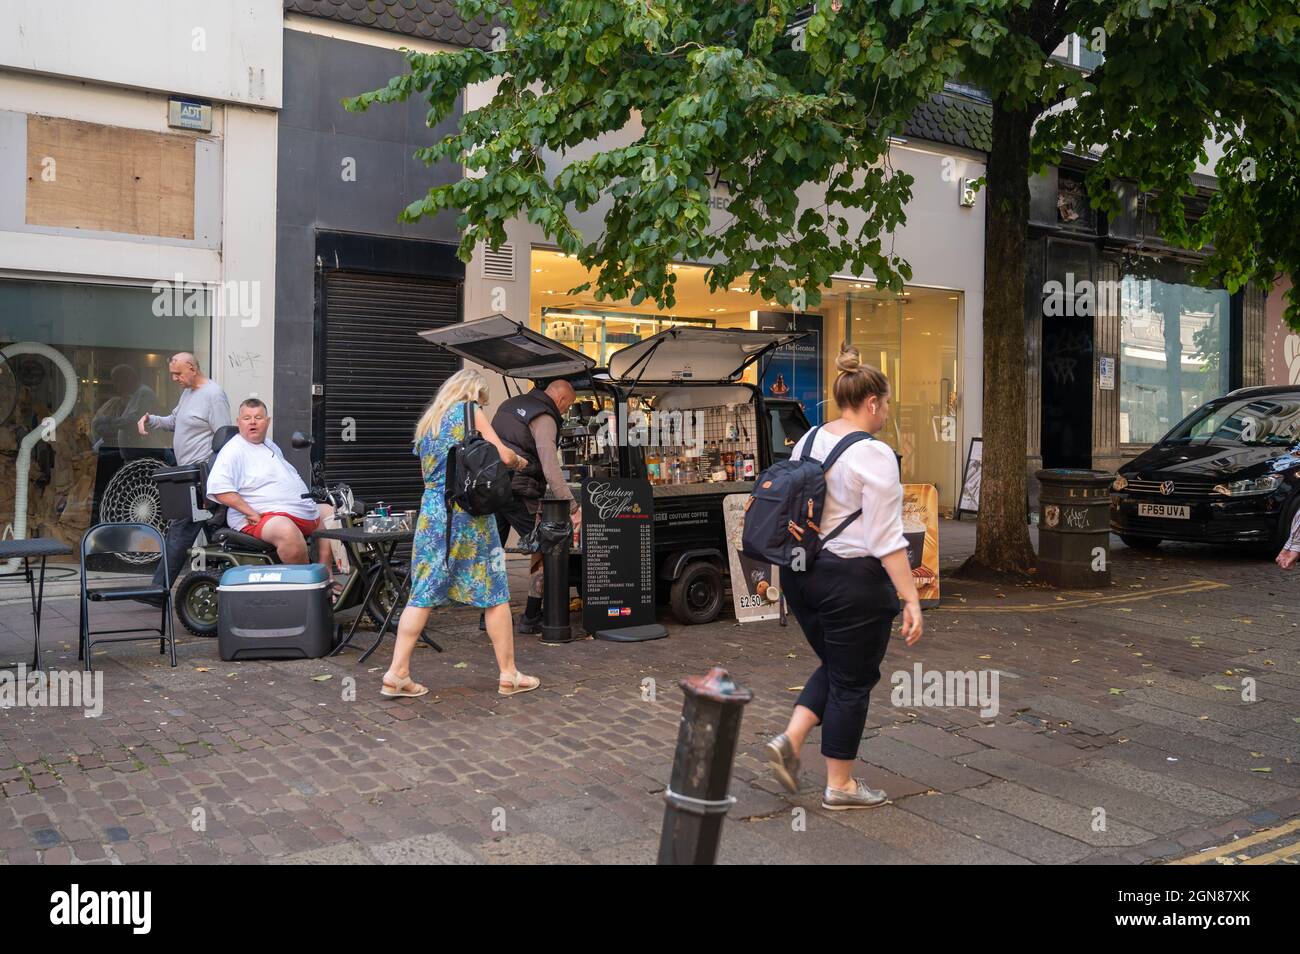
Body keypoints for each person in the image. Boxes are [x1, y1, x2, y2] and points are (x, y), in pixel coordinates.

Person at [763, 344, 923, 810]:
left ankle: (791, 739)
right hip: (850, 583)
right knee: (853, 680)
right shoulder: (875, 455)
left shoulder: (809, 439)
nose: (888, 412)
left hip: (801, 574)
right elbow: (886, 538)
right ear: (871, 402)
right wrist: (910, 597)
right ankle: (841, 785)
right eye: (887, 403)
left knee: (838, 665)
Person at [381, 368, 538, 699]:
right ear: (474, 394)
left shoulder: (430, 423)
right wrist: (520, 462)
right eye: (483, 398)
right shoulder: (470, 411)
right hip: (468, 516)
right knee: (494, 592)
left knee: (421, 592)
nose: (482, 403)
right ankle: (509, 674)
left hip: (433, 514)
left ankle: (397, 672)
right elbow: (501, 455)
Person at [489, 379, 581, 633]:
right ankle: (531, 616)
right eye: (567, 407)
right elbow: (550, 466)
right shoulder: (544, 417)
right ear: (561, 400)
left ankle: (489, 618)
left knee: (495, 553)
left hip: (494, 488)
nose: (564, 412)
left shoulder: (509, 405)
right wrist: (572, 506)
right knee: (544, 547)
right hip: (521, 491)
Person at [137, 353, 231, 589]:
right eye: (172, 374)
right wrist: (151, 420)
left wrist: (211, 481)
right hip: (188, 475)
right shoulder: (188, 392)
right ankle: (230, 583)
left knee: (181, 531)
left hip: (201, 478)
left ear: (192, 368)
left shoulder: (214, 395)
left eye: (178, 373)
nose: (175, 378)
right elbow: (174, 421)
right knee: (217, 533)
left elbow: (224, 440)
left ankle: (158, 589)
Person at [206, 398, 333, 566]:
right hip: (258, 517)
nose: (252, 422)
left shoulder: (269, 445)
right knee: (287, 531)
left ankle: (326, 576)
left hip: (289, 511)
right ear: (238, 422)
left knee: (330, 514)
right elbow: (220, 489)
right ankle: (303, 586)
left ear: (267, 421)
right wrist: (250, 513)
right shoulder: (233, 451)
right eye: (247, 418)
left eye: (258, 418)